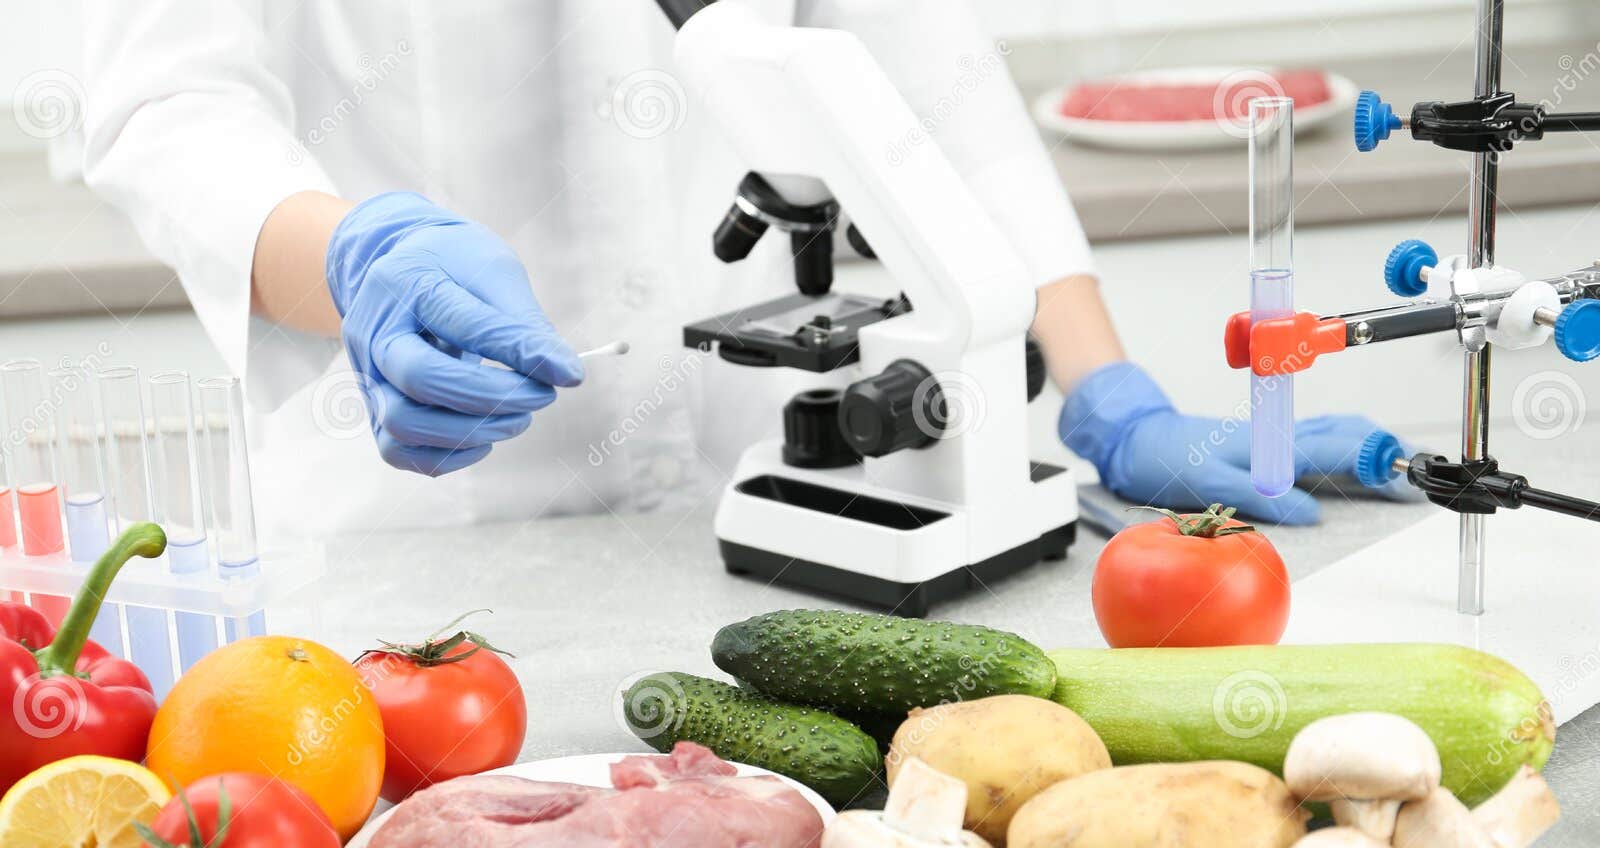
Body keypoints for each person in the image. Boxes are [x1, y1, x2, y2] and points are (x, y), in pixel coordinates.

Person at [79, 0, 1405, 541]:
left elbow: (933, 82)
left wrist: (1109, 390)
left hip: (764, 509)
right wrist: (357, 261)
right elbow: (166, 105)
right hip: (412, 532)